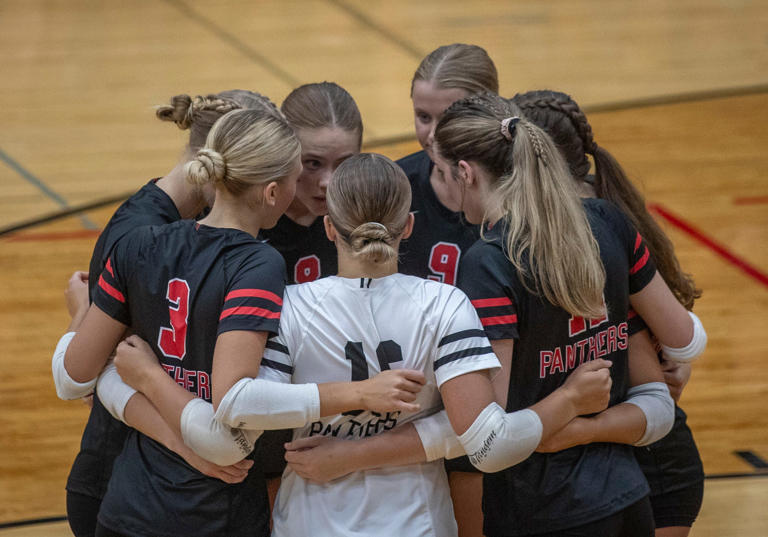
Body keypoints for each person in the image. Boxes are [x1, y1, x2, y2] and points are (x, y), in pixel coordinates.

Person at [112, 152, 616, 537]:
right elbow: (476, 434)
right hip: (416, 521)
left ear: (330, 227)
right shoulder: (446, 304)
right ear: (409, 227)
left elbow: (241, 408)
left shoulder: (289, 304)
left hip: (310, 519)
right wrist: (567, 400)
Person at [430, 93, 693, 536]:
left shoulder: (488, 261)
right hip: (627, 500)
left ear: (466, 173)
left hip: (543, 512)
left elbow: (489, 444)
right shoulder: (605, 221)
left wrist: (568, 402)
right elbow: (662, 401)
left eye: (442, 173)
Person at [56, 90, 281, 537]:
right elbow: (88, 375)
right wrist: (195, 449)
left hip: (166, 483)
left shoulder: (182, 230)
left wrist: (82, 316)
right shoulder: (144, 236)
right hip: (124, 478)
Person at [512, 89, 705, 537]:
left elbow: (684, 338)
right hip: (592, 464)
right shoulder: (543, 230)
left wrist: (675, 362)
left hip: (646, 455)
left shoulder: (604, 228)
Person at [397, 43, 498, 286]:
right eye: (423, 117)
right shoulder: (396, 183)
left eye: (447, 118)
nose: (432, 135)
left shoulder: (522, 188)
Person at [261, 81, 362, 284]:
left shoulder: (366, 217)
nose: (328, 182)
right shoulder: (249, 219)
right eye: (313, 163)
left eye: (344, 164)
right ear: (284, 153)